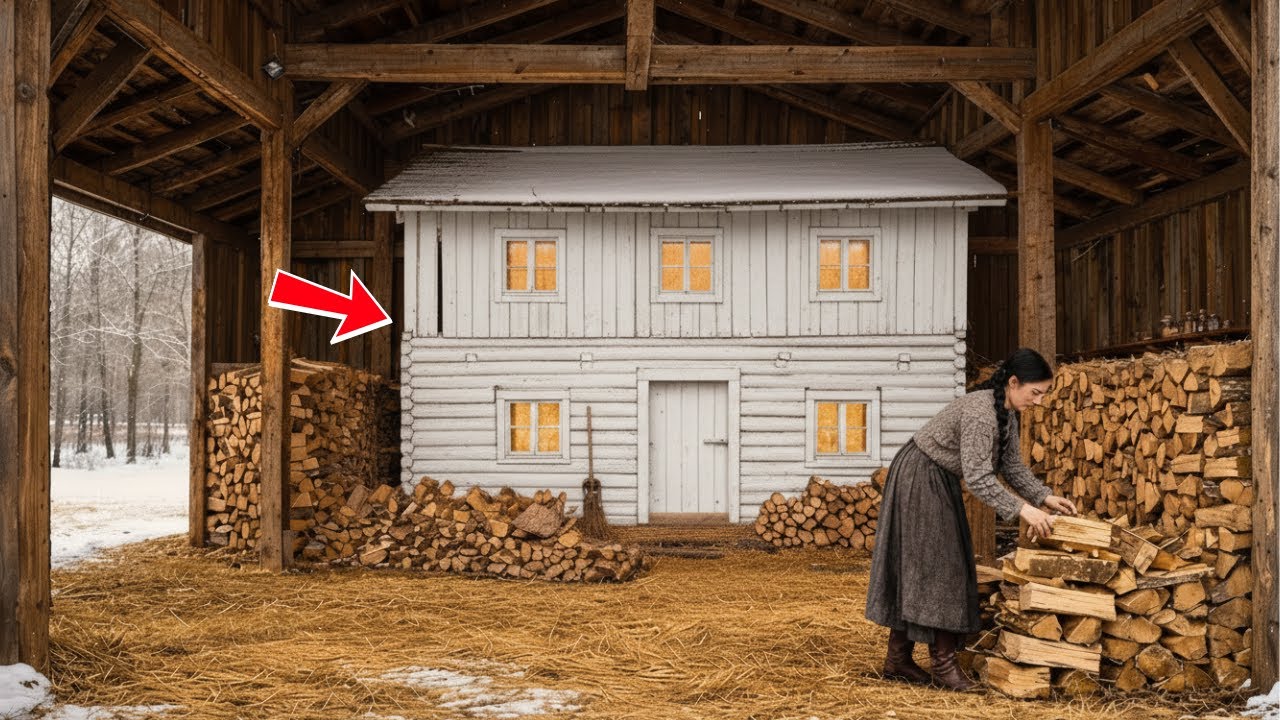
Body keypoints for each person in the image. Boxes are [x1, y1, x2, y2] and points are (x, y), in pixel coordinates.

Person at [864, 347, 1078, 691]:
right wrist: (1025, 510)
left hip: (938, 477)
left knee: (930, 565)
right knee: (943, 567)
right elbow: (979, 479)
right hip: (919, 474)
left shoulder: (1005, 413)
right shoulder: (981, 413)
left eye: (1043, 394)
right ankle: (943, 667)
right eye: (1034, 392)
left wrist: (1043, 495)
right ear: (1012, 382)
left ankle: (898, 660)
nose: (1038, 401)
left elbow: (1010, 467)